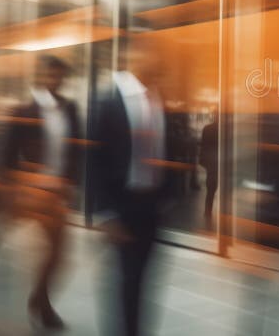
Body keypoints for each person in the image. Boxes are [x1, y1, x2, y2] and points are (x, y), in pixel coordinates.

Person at [90, 33, 169, 336]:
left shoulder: (157, 96)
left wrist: (166, 197)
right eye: (152, 52)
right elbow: (94, 159)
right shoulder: (110, 99)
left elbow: (165, 150)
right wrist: (105, 212)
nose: (158, 60)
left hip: (151, 205)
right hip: (122, 205)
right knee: (128, 280)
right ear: (134, 55)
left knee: (142, 281)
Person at [2, 55, 81, 329]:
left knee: (59, 253)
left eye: (60, 76)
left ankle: (40, 301)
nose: (55, 80)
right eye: (50, 75)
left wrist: (71, 184)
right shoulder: (23, 110)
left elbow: (76, 150)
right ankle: (41, 307)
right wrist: (15, 187)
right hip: (28, 192)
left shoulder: (70, 109)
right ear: (40, 77)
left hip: (54, 194)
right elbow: (7, 156)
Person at [199, 110, 218, 230]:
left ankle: (208, 211)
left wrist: (203, 161)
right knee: (213, 188)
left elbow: (203, 146)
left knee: (210, 189)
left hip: (211, 162)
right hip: (219, 161)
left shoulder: (207, 128)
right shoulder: (226, 130)